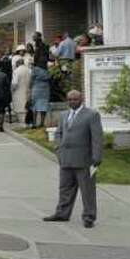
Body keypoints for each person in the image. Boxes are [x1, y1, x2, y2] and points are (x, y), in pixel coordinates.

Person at [43, 90, 104, 228]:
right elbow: (58, 133)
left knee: (87, 190)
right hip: (66, 159)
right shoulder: (64, 115)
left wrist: (97, 156)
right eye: (69, 99)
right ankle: (62, 213)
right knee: (65, 188)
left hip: (84, 160)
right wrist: (58, 148)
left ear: (81, 99)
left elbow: (97, 137)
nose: (72, 102)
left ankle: (89, 217)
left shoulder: (91, 115)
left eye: (75, 99)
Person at [30, 61, 51, 128]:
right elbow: (50, 78)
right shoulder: (47, 70)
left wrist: (30, 88)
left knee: (35, 106)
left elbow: (31, 79)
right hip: (45, 89)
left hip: (36, 88)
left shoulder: (35, 69)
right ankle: (42, 123)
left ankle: (34, 123)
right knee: (44, 106)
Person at [10, 58, 31, 127]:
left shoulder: (16, 71)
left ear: (18, 64)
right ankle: (26, 122)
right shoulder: (29, 70)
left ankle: (22, 123)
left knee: (20, 109)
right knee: (26, 108)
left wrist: (12, 90)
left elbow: (15, 83)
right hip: (28, 91)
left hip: (18, 92)